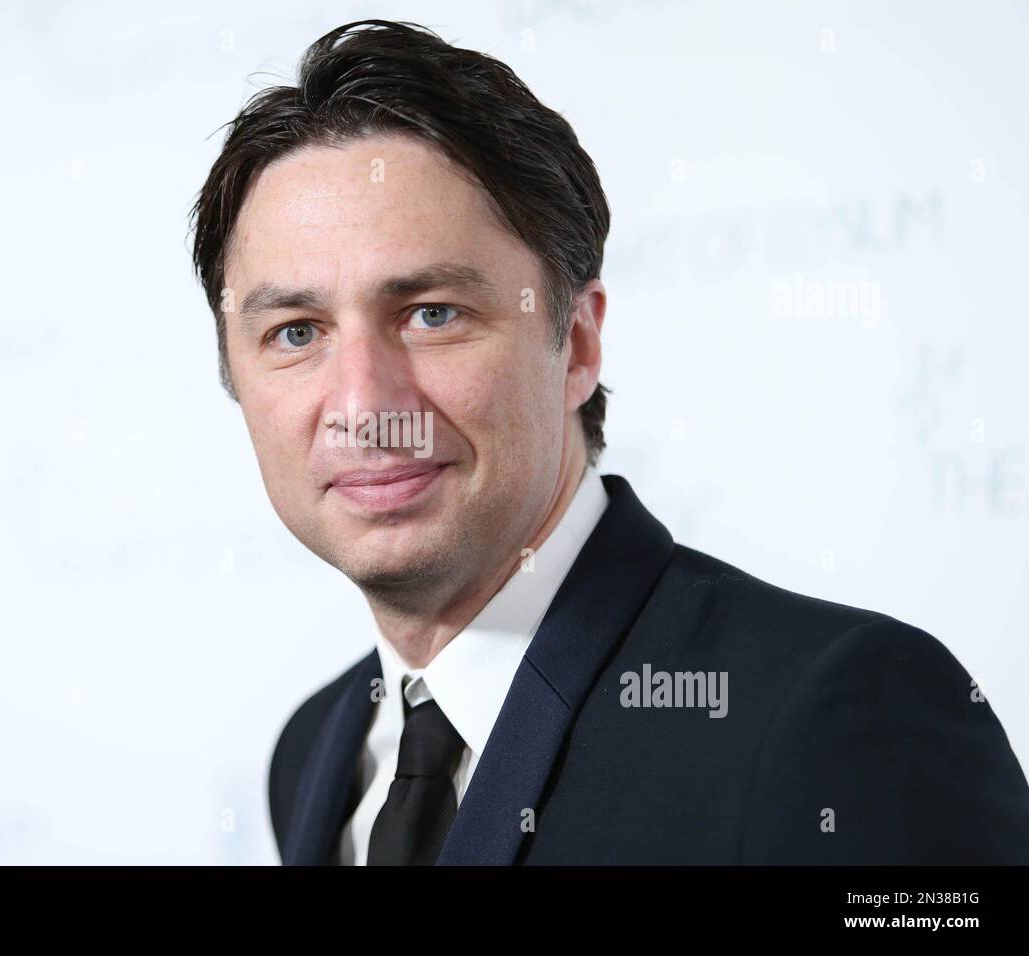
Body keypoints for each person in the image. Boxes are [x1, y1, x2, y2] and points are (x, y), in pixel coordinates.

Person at [187, 19, 1029, 864]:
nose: (364, 407)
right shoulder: (313, 753)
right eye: (296, 333)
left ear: (578, 345)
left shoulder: (845, 720)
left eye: (433, 314)